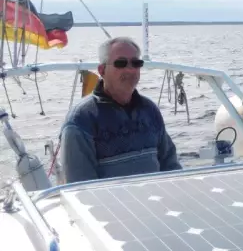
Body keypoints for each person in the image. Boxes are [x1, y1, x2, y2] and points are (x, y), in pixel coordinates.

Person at [60, 36, 182, 183]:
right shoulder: (81, 120)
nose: (130, 70)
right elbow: (80, 186)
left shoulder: (149, 110)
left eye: (136, 63)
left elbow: (170, 166)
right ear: (102, 70)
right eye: (121, 63)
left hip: (155, 201)